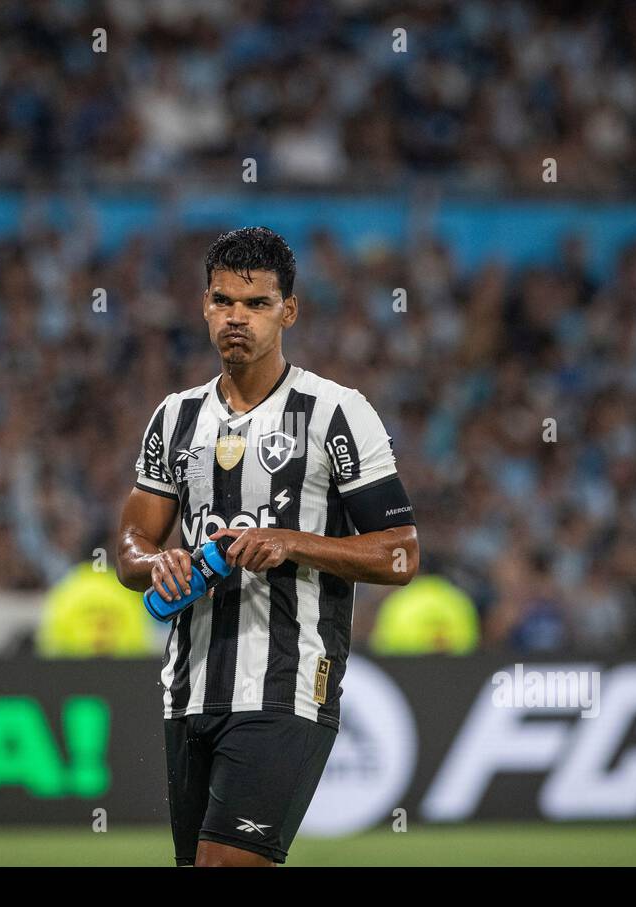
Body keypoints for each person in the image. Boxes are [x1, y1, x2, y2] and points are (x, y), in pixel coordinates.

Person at [115, 227, 419, 867]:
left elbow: (400, 555)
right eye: (224, 301)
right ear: (203, 305)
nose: (237, 318)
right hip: (189, 688)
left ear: (290, 310)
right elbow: (130, 546)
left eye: (256, 305)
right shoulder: (174, 419)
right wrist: (158, 562)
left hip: (287, 684)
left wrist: (291, 543)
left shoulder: (338, 413)